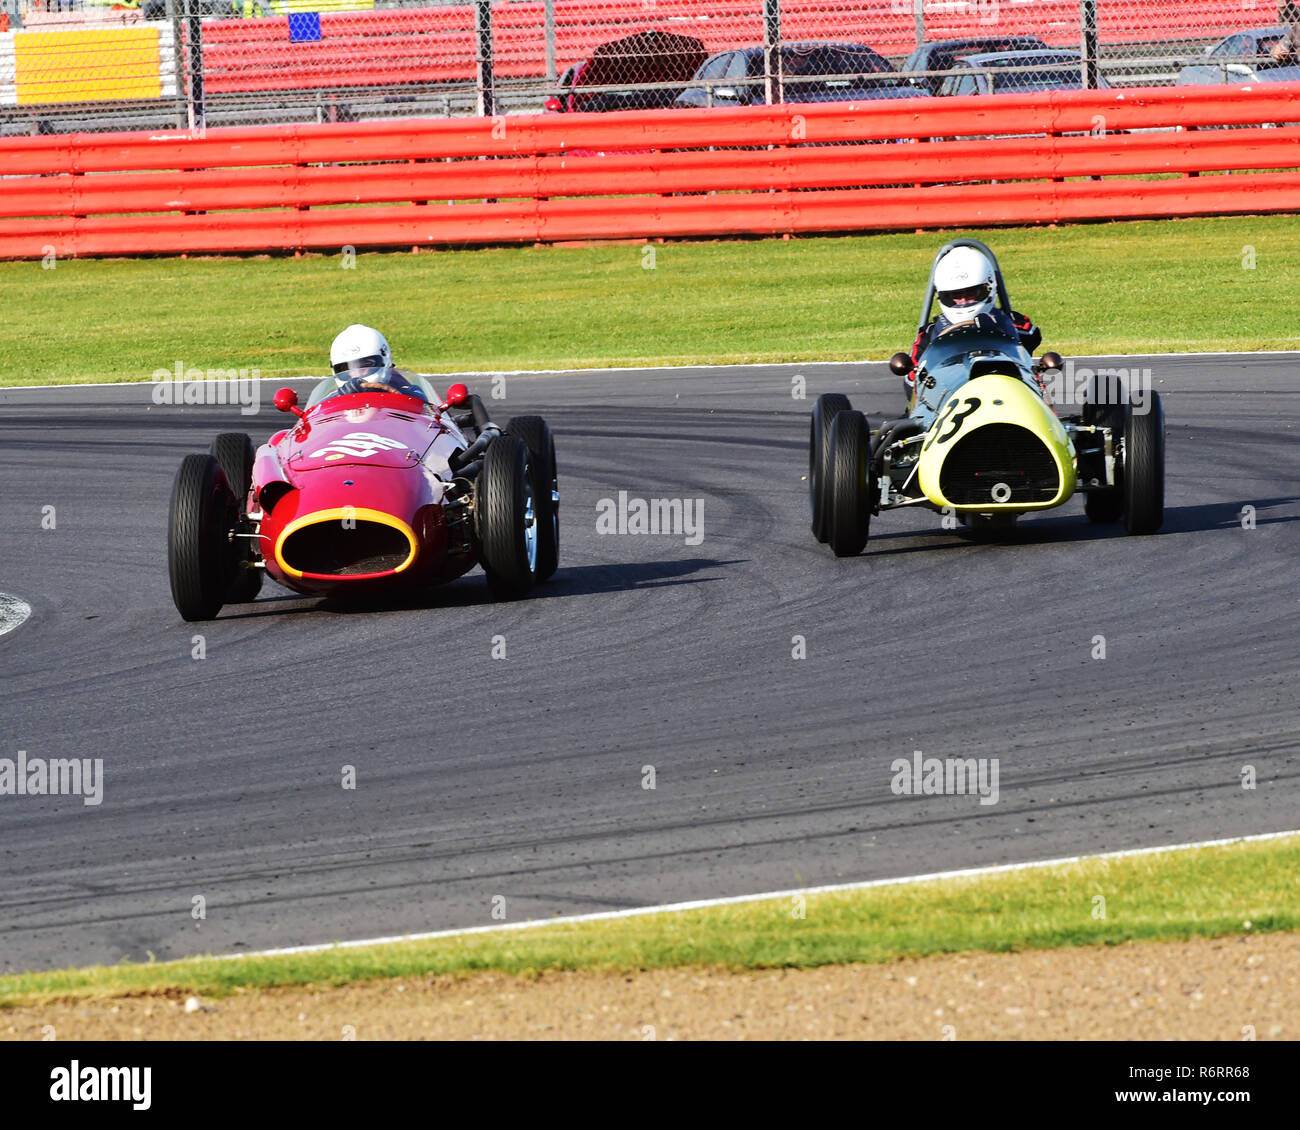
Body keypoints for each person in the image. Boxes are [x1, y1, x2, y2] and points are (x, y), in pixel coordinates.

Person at [907, 245, 1042, 378]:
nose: (964, 300)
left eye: (971, 293)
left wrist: (997, 328)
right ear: (943, 297)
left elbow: (1033, 336)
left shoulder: (1009, 321)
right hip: (952, 392)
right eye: (956, 296)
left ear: (988, 288)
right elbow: (913, 378)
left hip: (1006, 385)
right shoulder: (929, 334)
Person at [328, 324, 428, 400]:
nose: (356, 374)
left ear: (384, 362)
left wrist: (383, 393)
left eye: (365, 366)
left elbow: (425, 411)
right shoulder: (330, 401)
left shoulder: (410, 392)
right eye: (346, 369)